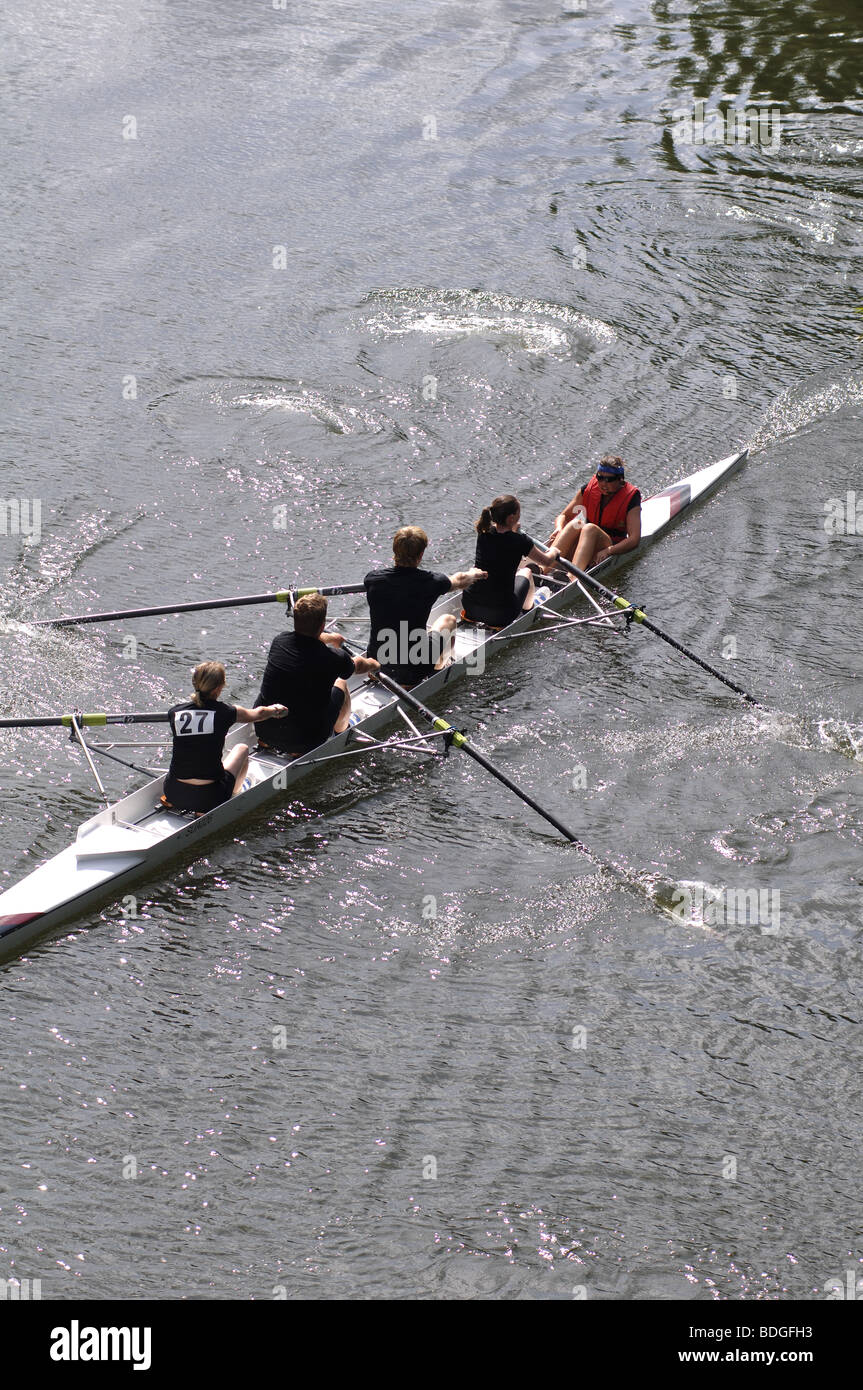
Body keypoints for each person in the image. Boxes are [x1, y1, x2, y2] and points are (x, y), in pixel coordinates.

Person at [253, 593, 379, 756]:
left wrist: (332, 638)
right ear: (322, 625)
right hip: (305, 739)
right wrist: (375, 664)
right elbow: (359, 665)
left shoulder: (279, 641)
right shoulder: (335, 658)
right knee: (341, 683)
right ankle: (341, 732)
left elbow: (305, 637)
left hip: (262, 727)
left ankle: (266, 741)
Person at [364, 526, 485, 688]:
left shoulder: (372, 579)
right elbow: (460, 581)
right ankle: (441, 668)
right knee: (448, 620)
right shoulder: (432, 582)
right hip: (413, 670)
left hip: (374, 664)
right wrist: (474, 574)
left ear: (394, 551)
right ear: (420, 555)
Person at [162, 661, 286, 815]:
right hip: (211, 797)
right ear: (219, 688)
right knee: (242, 748)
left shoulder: (174, 712)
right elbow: (258, 714)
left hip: (173, 792)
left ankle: (185, 800)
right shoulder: (226, 712)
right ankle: (235, 792)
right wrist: (275, 710)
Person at [462, 495, 559, 628]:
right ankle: (529, 608)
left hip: (469, 606)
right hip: (500, 615)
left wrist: (512, 529)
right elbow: (547, 561)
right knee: (526, 571)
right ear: (511, 518)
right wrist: (554, 551)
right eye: (519, 512)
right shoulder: (521, 541)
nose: (520, 515)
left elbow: (502, 541)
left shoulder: (483, 532)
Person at [546, 455, 641, 571]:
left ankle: (572, 576)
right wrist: (559, 529)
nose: (603, 484)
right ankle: (543, 568)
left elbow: (634, 539)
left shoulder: (632, 498)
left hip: (607, 546)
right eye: (600, 478)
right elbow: (564, 515)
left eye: (609, 480)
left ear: (620, 479)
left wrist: (609, 551)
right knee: (575, 524)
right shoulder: (588, 489)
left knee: (589, 528)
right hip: (585, 545)